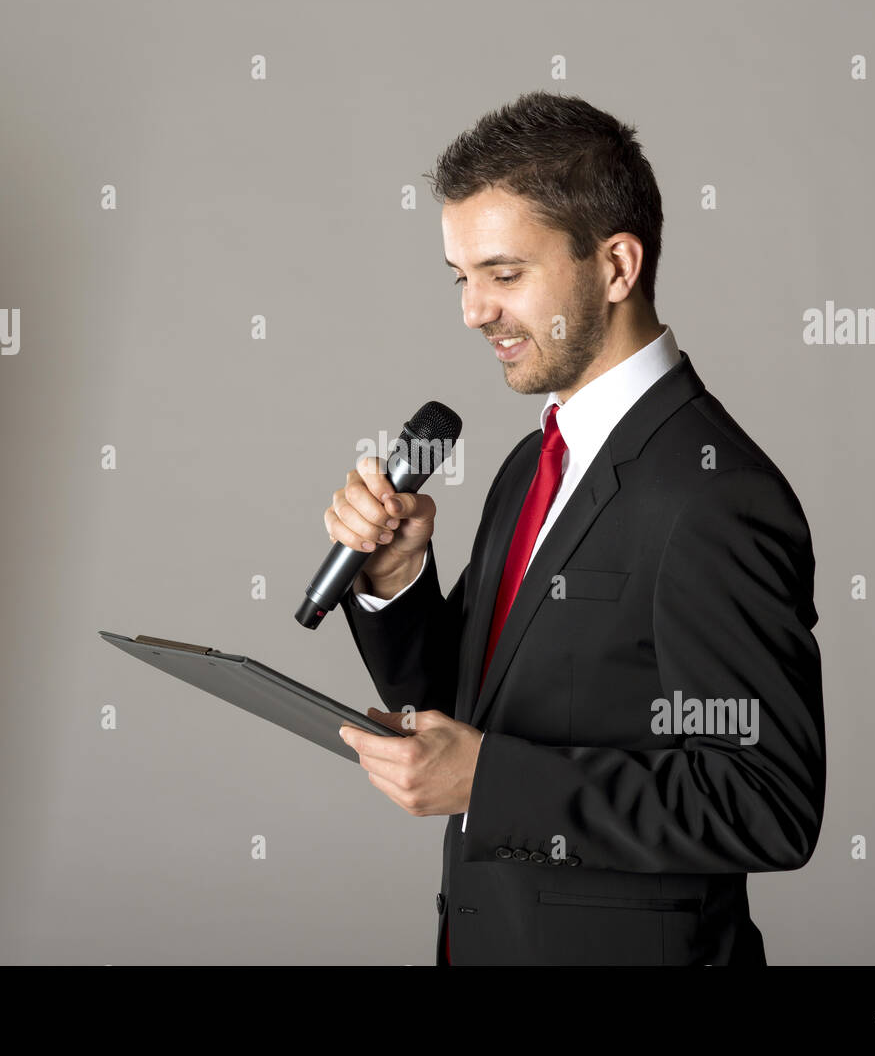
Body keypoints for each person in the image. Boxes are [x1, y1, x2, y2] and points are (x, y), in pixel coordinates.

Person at [328, 91, 825, 966]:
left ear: (617, 267)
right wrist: (398, 581)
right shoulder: (530, 464)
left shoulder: (716, 496)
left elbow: (764, 800)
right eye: (462, 277)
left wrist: (492, 782)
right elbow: (472, 712)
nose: (473, 311)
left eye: (504, 274)